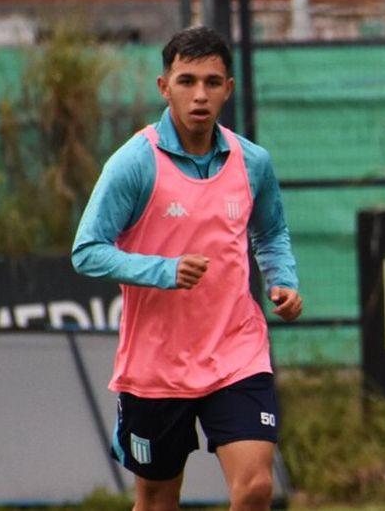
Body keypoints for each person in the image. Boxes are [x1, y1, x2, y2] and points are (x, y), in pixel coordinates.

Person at [72, 26, 303, 511]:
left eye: (212, 82)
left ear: (228, 88)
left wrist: (282, 280)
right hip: (157, 364)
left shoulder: (253, 162)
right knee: (156, 500)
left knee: (257, 486)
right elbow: (87, 250)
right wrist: (164, 270)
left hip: (236, 350)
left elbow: (271, 232)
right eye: (187, 81)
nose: (200, 95)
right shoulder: (135, 162)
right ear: (164, 86)